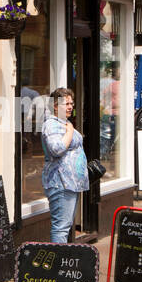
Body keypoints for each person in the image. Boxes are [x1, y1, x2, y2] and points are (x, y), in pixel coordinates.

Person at [41, 87, 88, 242]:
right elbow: (57, 149)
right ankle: (58, 264)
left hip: (70, 184)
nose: (70, 107)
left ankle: (62, 260)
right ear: (55, 106)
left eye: (71, 103)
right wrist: (69, 132)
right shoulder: (52, 125)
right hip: (60, 183)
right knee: (61, 227)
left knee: (65, 226)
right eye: (66, 104)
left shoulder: (65, 123)